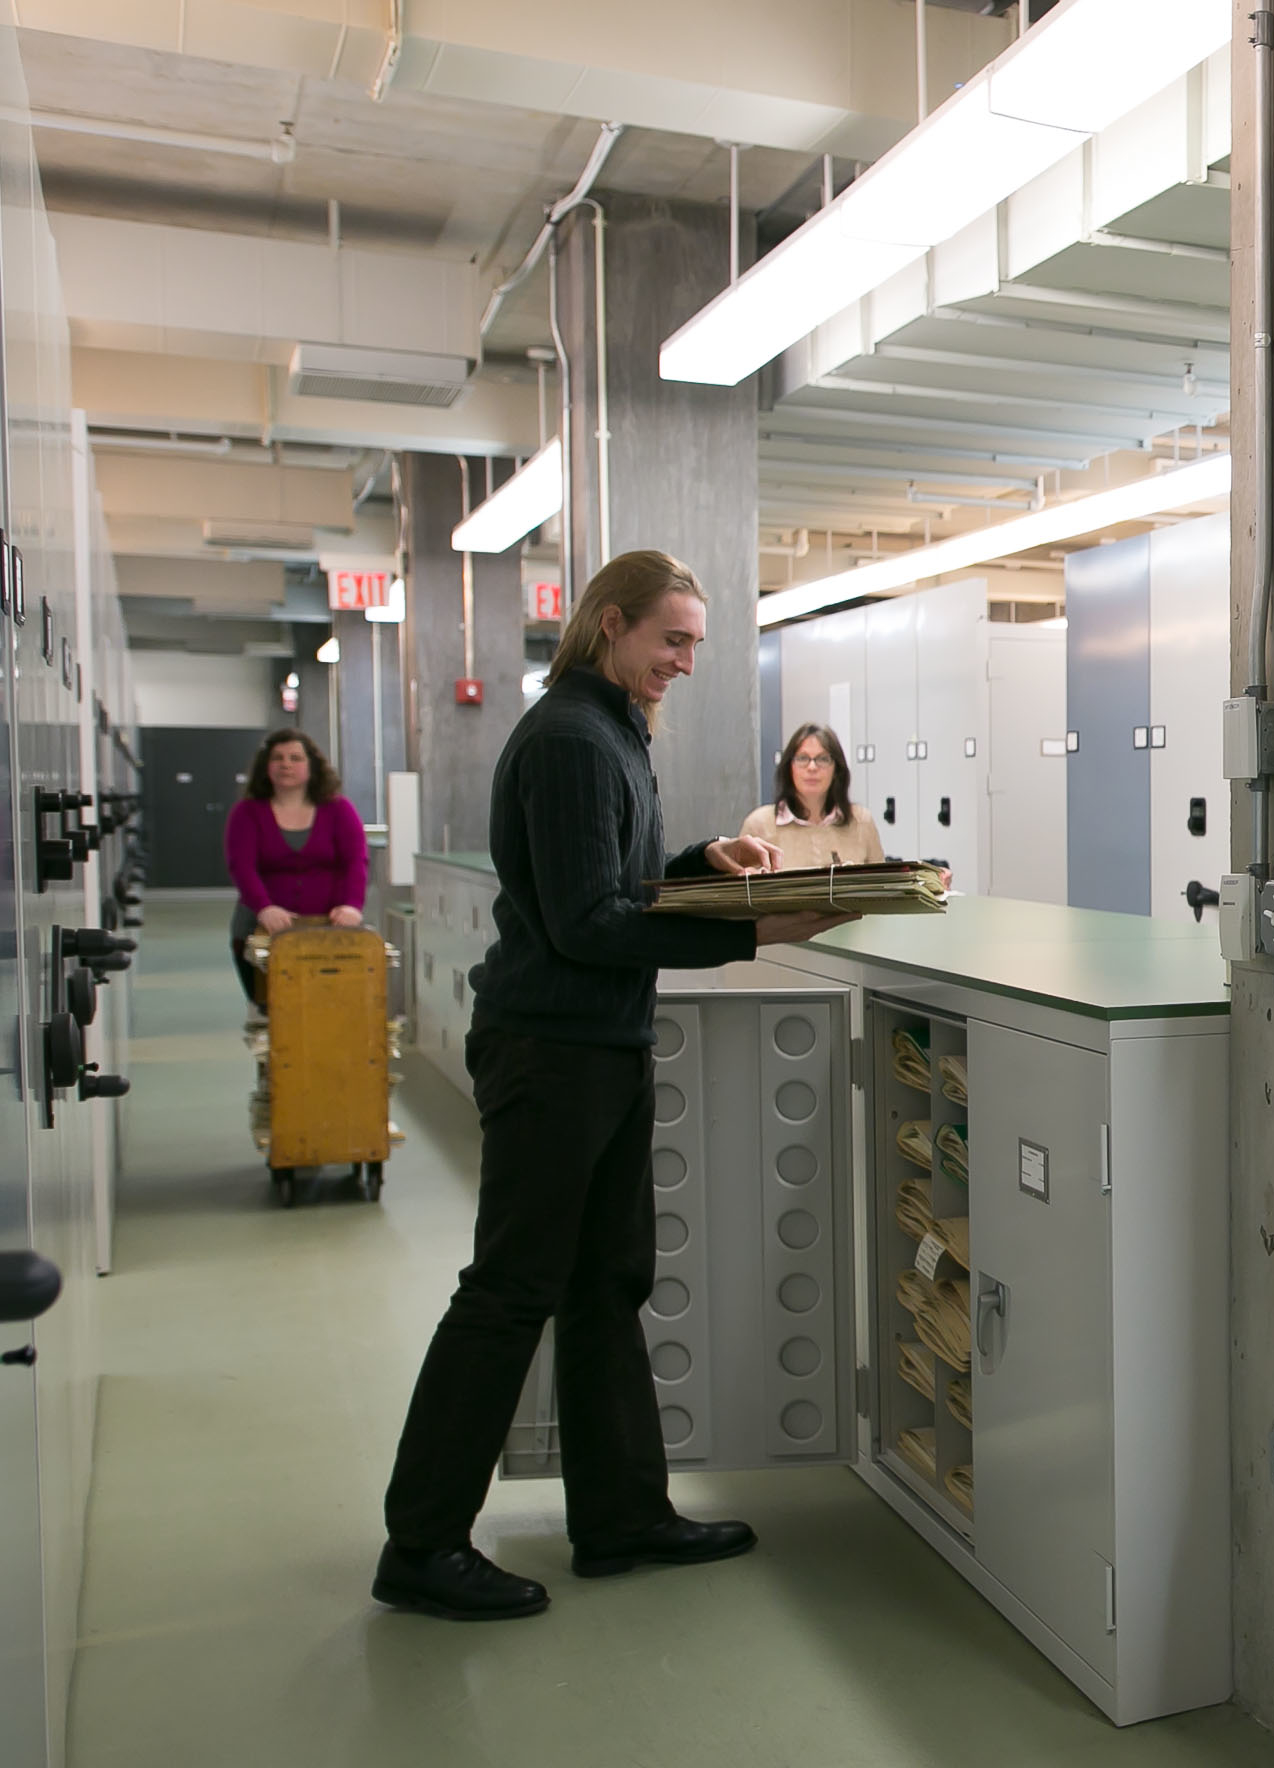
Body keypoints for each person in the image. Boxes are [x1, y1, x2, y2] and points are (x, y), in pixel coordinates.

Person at [372, 551, 841, 1622]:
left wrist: (699, 860)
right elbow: (587, 923)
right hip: (553, 1052)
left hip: (597, 1043)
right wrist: (755, 932)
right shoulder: (574, 739)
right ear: (611, 623)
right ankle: (423, 1542)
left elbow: (605, 882)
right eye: (671, 639)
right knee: (510, 1291)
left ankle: (621, 1515)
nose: (685, 661)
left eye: (694, 644)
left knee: (605, 1283)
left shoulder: (611, 728)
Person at [223, 728, 368, 1012]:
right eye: (277, 758)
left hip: (329, 929)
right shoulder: (247, 813)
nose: (286, 764)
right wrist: (264, 908)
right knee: (274, 1013)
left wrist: (352, 905)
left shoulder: (339, 810)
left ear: (311, 766)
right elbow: (241, 867)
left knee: (328, 1012)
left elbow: (356, 861)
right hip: (260, 929)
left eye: (295, 758)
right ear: (266, 766)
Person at [741, 723, 886, 869]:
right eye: (802, 758)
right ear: (789, 767)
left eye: (822, 759)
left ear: (836, 770)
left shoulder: (861, 821)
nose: (812, 767)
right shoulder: (759, 825)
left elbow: (882, 881)